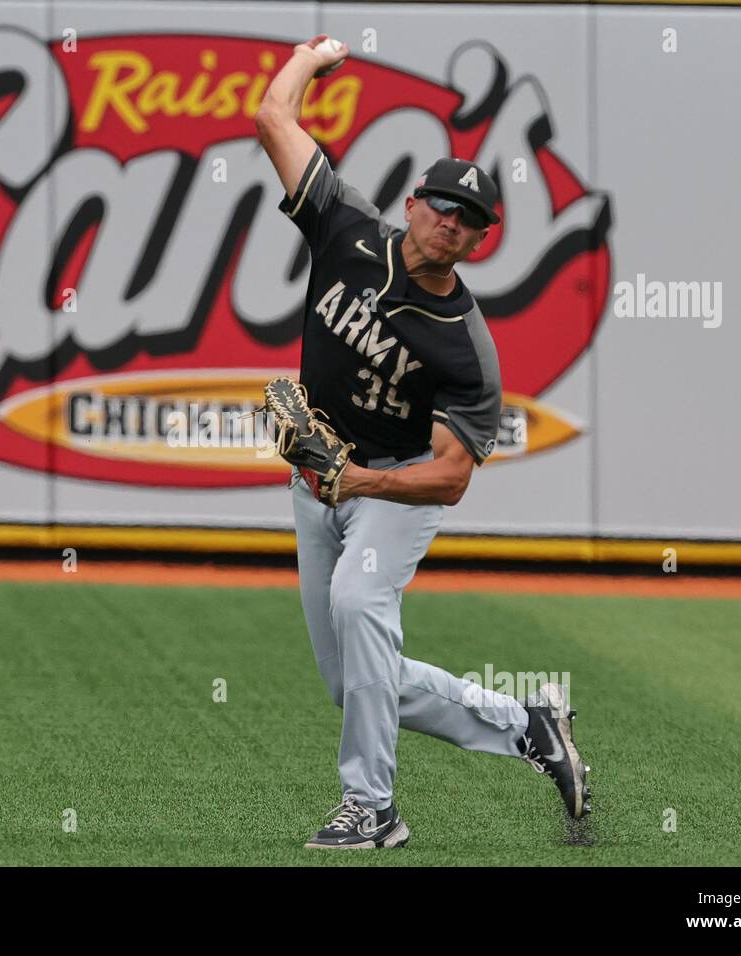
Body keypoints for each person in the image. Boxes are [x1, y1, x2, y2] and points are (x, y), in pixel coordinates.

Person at [254, 35, 592, 849]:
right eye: (443, 205)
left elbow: (449, 478)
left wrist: (359, 484)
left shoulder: (464, 347)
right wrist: (313, 55)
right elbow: (273, 117)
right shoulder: (345, 229)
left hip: (395, 488)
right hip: (319, 481)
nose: (452, 223)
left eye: (470, 219)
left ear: (481, 239)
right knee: (353, 681)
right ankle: (530, 726)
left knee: (358, 601)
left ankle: (371, 807)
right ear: (412, 203)